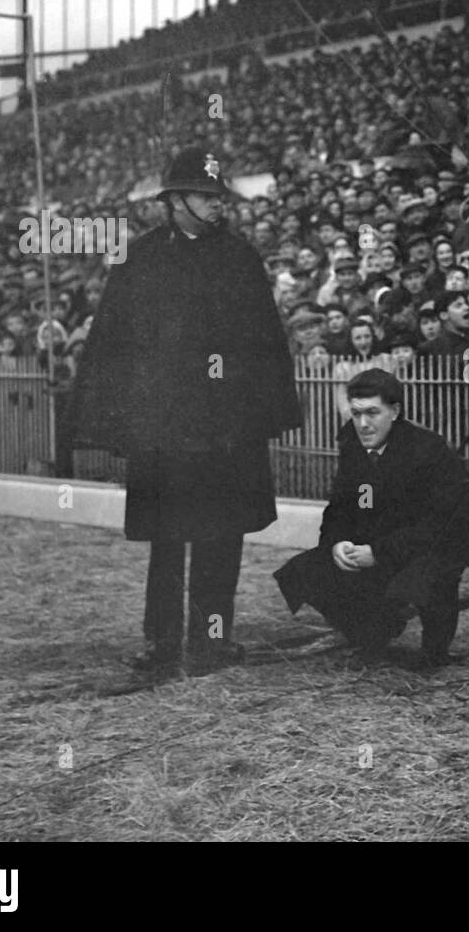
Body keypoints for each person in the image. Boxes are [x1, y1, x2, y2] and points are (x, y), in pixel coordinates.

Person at [70, 149, 302, 677]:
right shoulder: (140, 259)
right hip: (165, 431)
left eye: (220, 196)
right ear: (174, 201)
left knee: (222, 535)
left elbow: (266, 341)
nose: (217, 206)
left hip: (225, 430)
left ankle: (212, 640)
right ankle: (163, 642)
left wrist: (256, 413)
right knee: (167, 539)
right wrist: (122, 422)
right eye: (205, 196)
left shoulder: (240, 257)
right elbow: (113, 345)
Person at [273, 368, 469, 666]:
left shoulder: (429, 450)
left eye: (373, 412)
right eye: (356, 412)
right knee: (304, 570)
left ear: (395, 411)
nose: (363, 423)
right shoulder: (352, 445)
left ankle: (435, 651)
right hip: (383, 543)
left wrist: (379, 552)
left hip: (438, 542)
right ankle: (372, 637)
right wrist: (338, 545)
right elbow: (339, 509)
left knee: (427, 575)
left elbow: (441, 523)